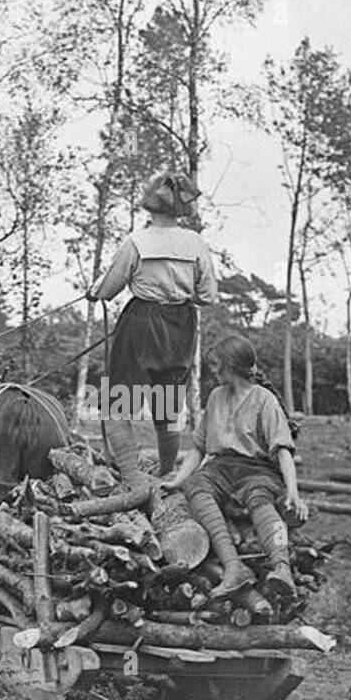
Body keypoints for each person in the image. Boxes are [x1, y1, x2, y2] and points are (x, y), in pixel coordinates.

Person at [88, 170, 218, 485]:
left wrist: (95, 289)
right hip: (180, 327)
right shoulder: (195, 242)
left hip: (141, 325)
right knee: (167, 406)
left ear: (150, 205)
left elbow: (107, 291)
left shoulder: (137, 242)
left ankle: (131, 477)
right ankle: (164, 474)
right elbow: (208, 296)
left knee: (118, 404)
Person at [162, 334, 309, 602]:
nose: (213, 372)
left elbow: (283, 450)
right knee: (197, 486)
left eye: (217, 366)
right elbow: (199, 448)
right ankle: (234, 568)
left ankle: (282, 569)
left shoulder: (264, 400)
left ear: (232, 367)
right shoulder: (217, 397)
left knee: (260, 498)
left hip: (258, 470)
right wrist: (178, 480)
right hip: (220, 468)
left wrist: (293, 493)